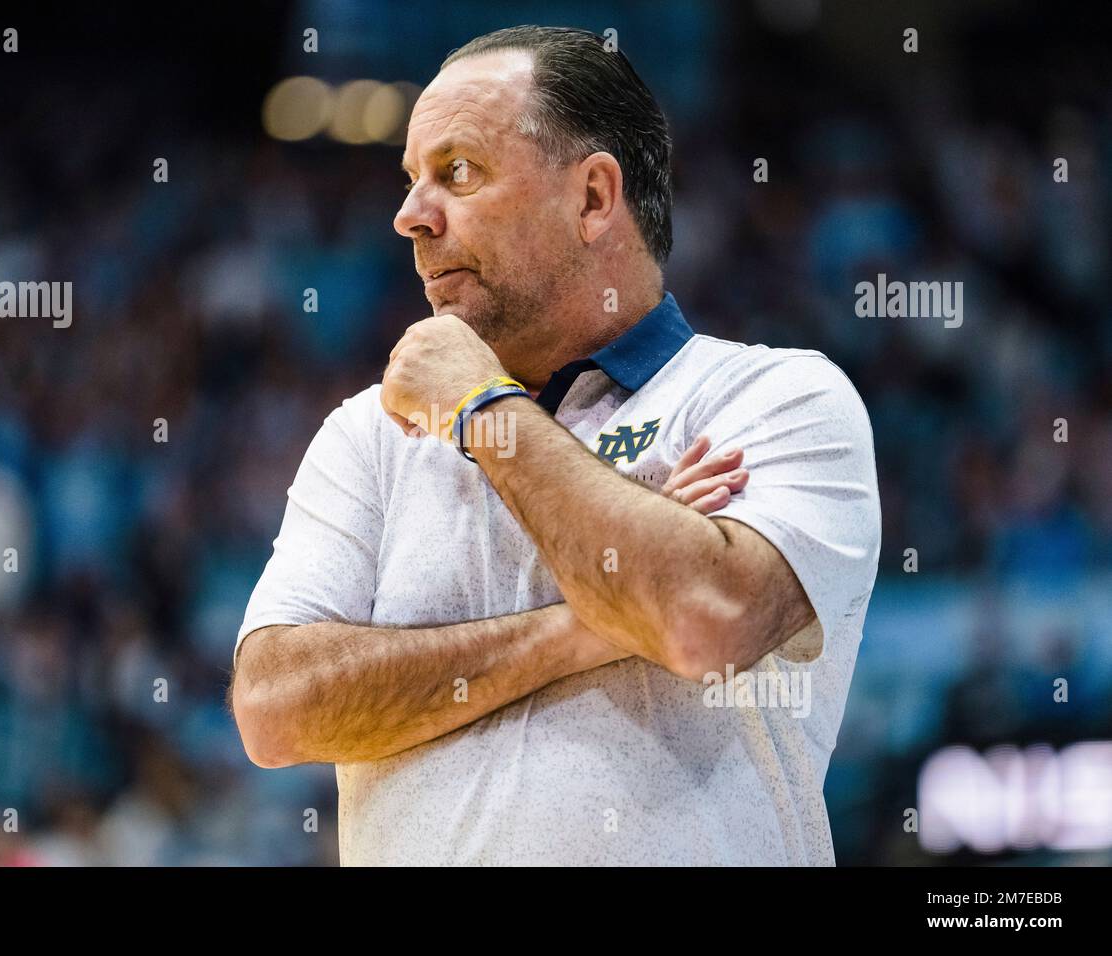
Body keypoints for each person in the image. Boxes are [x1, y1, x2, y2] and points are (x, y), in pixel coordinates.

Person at [231, 25, 881, 865]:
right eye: (411, 180)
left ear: (594, 198)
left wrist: (483, 409)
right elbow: (275, 708)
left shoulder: (776, 397)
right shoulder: (369, 433)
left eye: (457, 173)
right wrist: (593, 628)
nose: (409, 216)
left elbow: (699, 623)